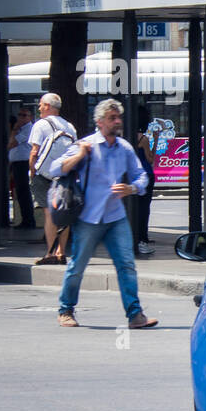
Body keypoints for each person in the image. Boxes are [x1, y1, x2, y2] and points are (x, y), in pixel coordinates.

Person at [49, 99, 157, 329]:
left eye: (118, 117)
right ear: (99, 122)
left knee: (126, 265)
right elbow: (54, 168)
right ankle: (65, 310)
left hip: (115, 217)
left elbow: (142, 175)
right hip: (88, 218)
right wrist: (78, 156)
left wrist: (132, 188)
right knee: (78, 266)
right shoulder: (85, 145)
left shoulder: (124, 148)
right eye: (112, 118)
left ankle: (135, 315)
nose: (117, 122)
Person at [27, 93, 77, 264]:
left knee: (49, 214)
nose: (39, 108)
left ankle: (49, 253)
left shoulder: (41, 124)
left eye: (41, 105)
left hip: (44, 175)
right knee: (63, 212)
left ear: (48, 106)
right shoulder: (69, 126)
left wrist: (32, 171)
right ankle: (61, 252)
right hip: (63, 174)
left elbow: (34, 151)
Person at [7, 109, 36, 229]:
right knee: (19, 191)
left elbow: (12, 143)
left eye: (24, 115)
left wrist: (14, 129)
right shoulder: (22, 129)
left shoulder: (28, 129)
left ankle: (28, 220)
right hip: (17, 162)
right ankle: (25, 219)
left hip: (23, 162)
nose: (21, 117)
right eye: (19, 115)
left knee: (23, 191)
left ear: (30, 117)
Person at [134, 127, 156, 255]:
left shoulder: (122, 136)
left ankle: (136, 237)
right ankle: (142, 239)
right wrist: (156, 139)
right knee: (144, 208)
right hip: (145, 174)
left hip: (132, 176)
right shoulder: (143, 138)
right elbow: (150, 159)